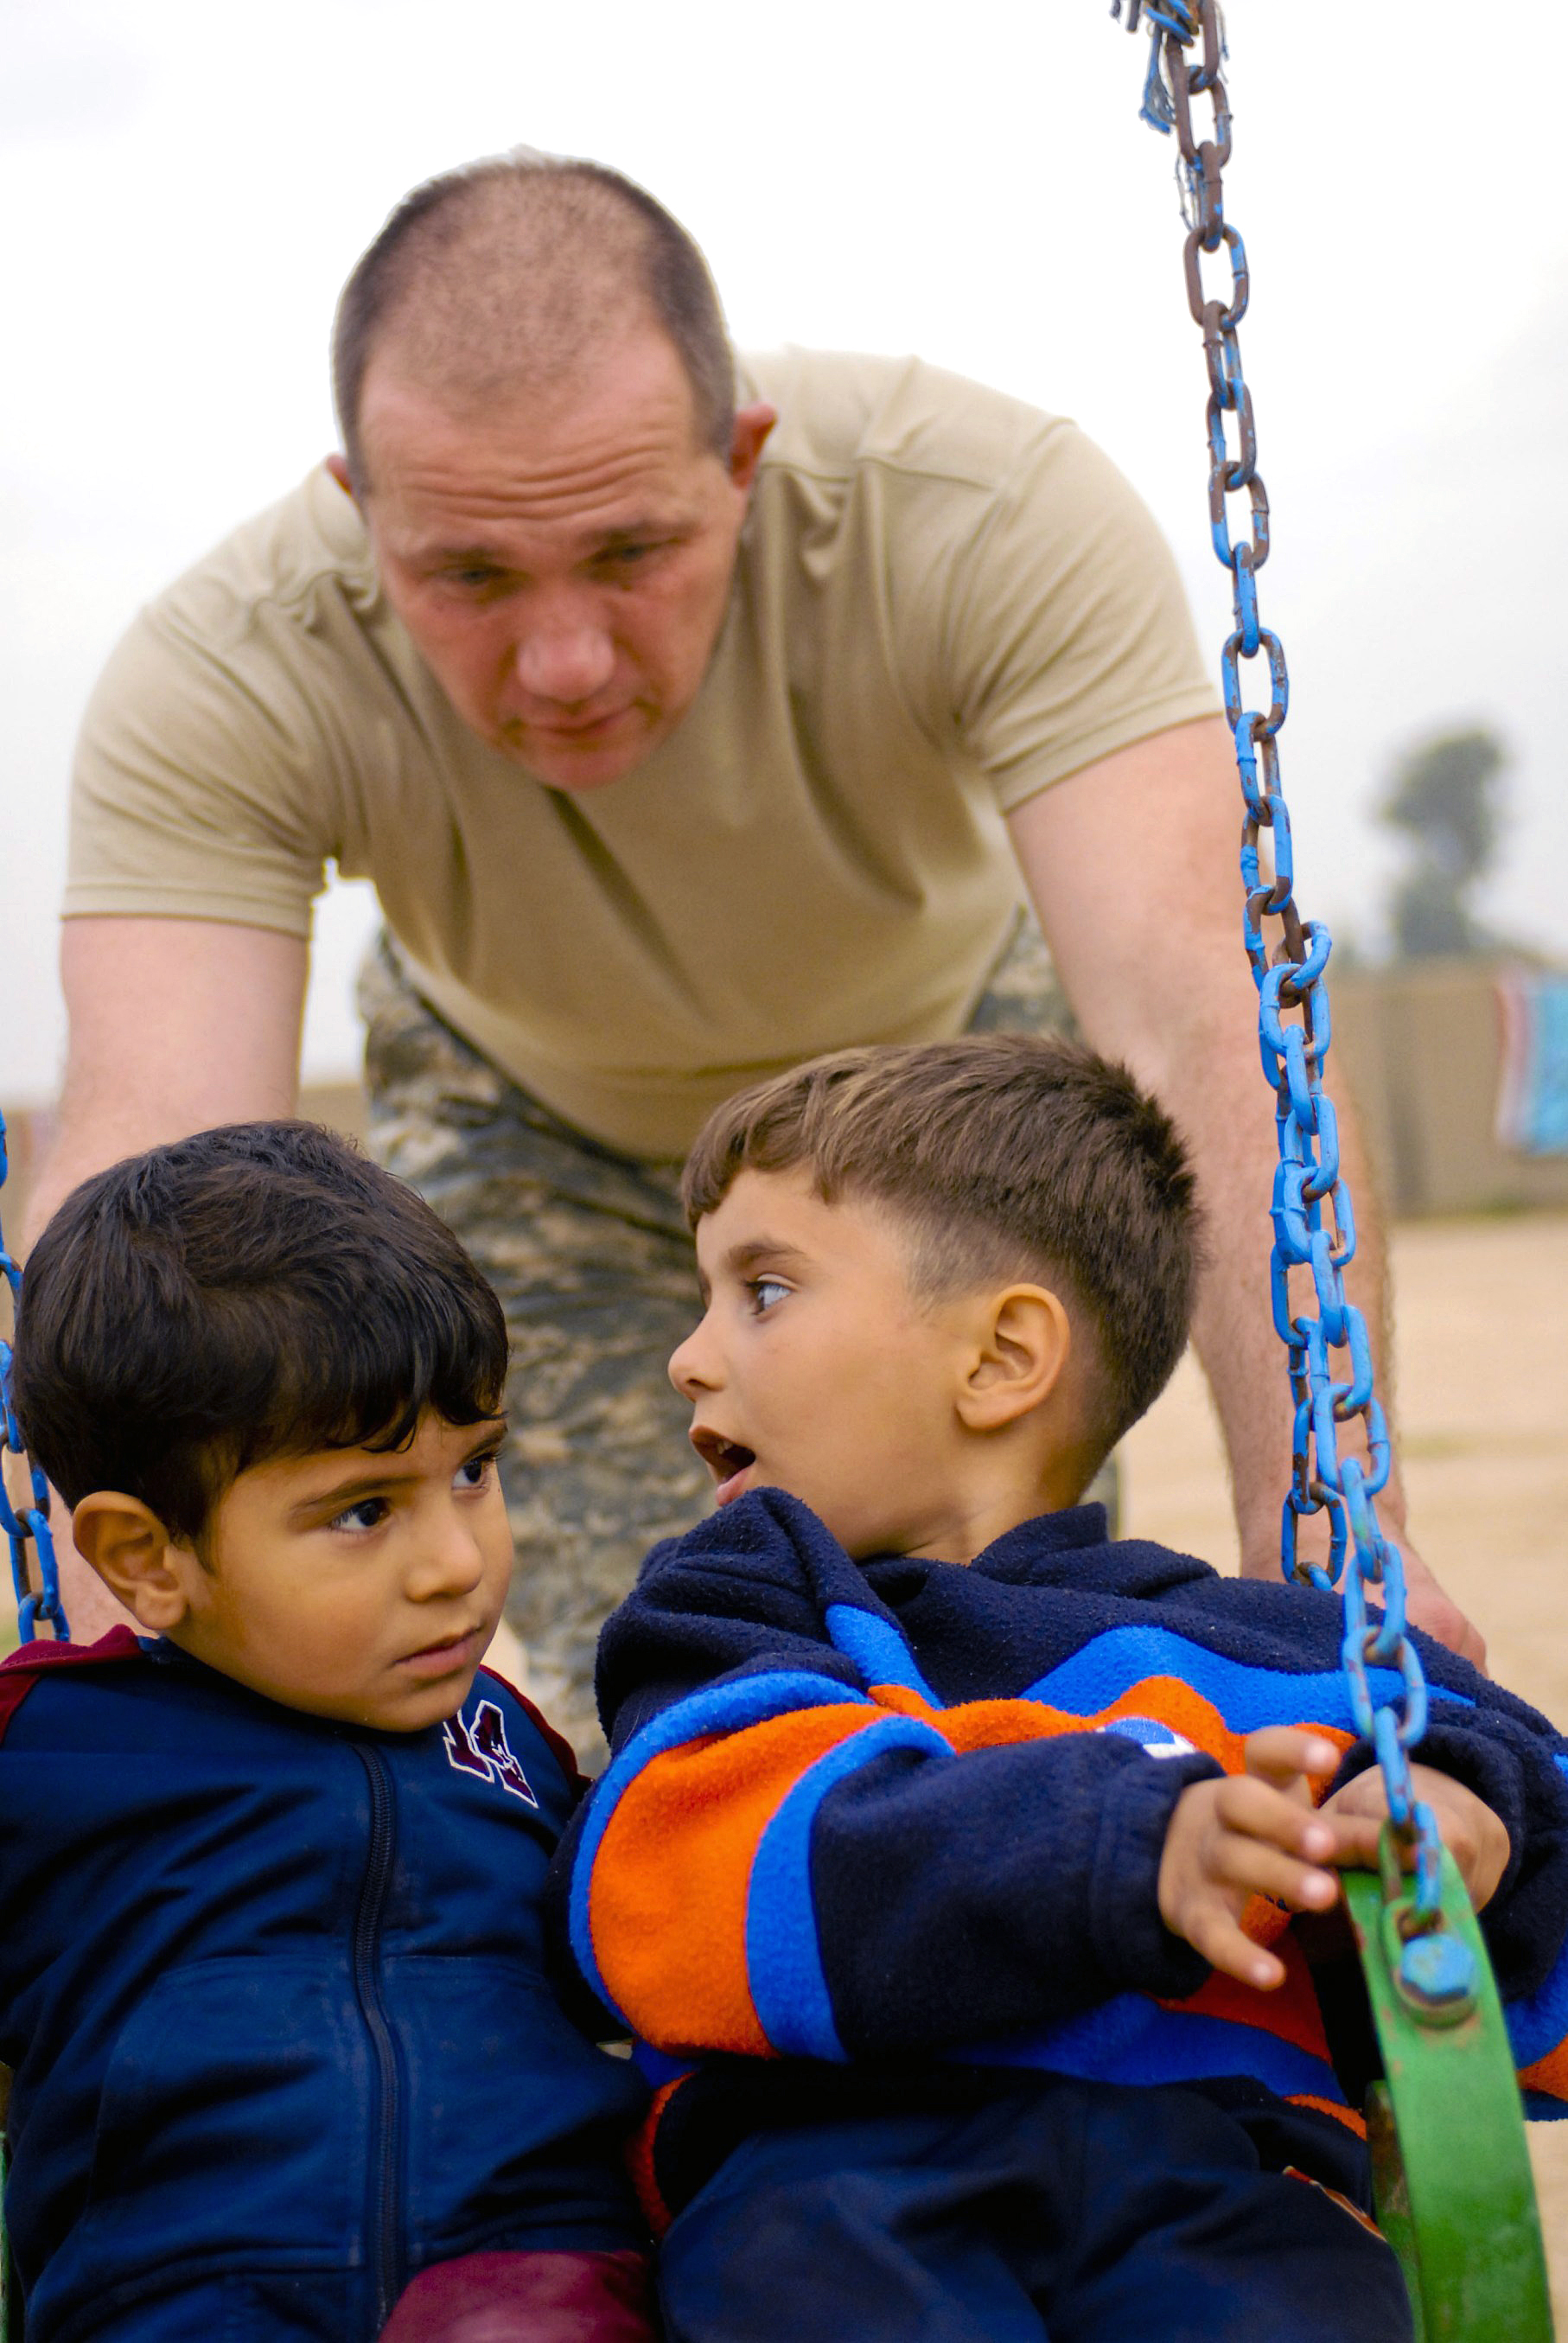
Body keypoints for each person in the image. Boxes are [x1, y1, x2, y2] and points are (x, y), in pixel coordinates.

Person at [32, 147, 1477, 1756]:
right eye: (471, 577)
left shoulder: (979, 511)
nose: (565, 660)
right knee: (678, 1709)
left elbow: (1197, 999)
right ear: (355, 512)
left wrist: (1339, 1536)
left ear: (744, 458)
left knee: (1011, 1659)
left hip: (928, 1096)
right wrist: (128, 1681)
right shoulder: (230, 664)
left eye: (632, 554)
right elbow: (157, 1164)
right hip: (536, 1109)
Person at [560, 1037, 1568, 2343]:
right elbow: (680, 1882)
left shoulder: (1264, 1648)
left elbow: (1534, 1881)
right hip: (834, 2182)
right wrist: (1128, 1845)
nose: (688, 1359)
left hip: (1233, 2189)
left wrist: (1453, 1820)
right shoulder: (739, 1614)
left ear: (999, 1357)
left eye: (759, 1289)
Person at [1, 1122, 655, 2343]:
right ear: (147, 1557)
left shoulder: (517, 1754)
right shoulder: (49, 1750)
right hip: (196, 2290)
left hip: (536, 2285)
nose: (457, 1564)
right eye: (363, 1509)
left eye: (475, 1471)